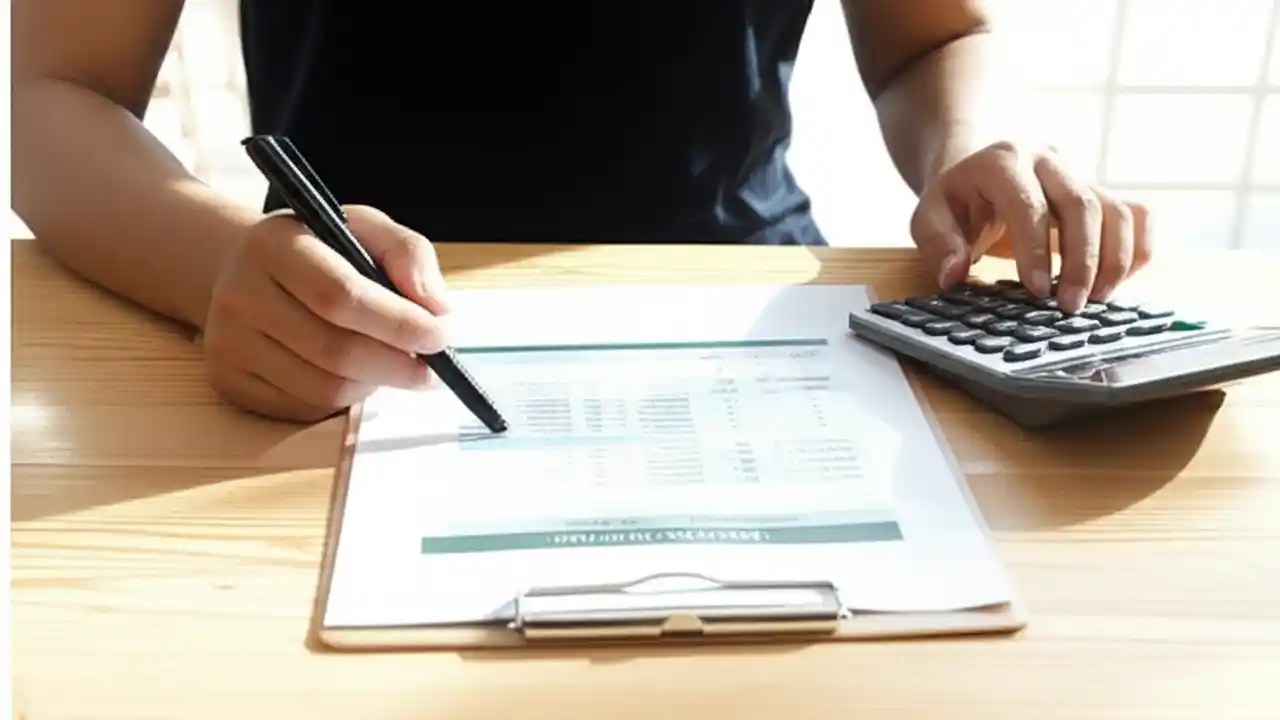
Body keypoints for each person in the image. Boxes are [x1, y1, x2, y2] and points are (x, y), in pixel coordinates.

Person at [13, 1, 1151, 423]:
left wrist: (970, 145)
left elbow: (934, 38)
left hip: (753, 340)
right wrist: (214, 262)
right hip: (335, 345)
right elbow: (47, 95)